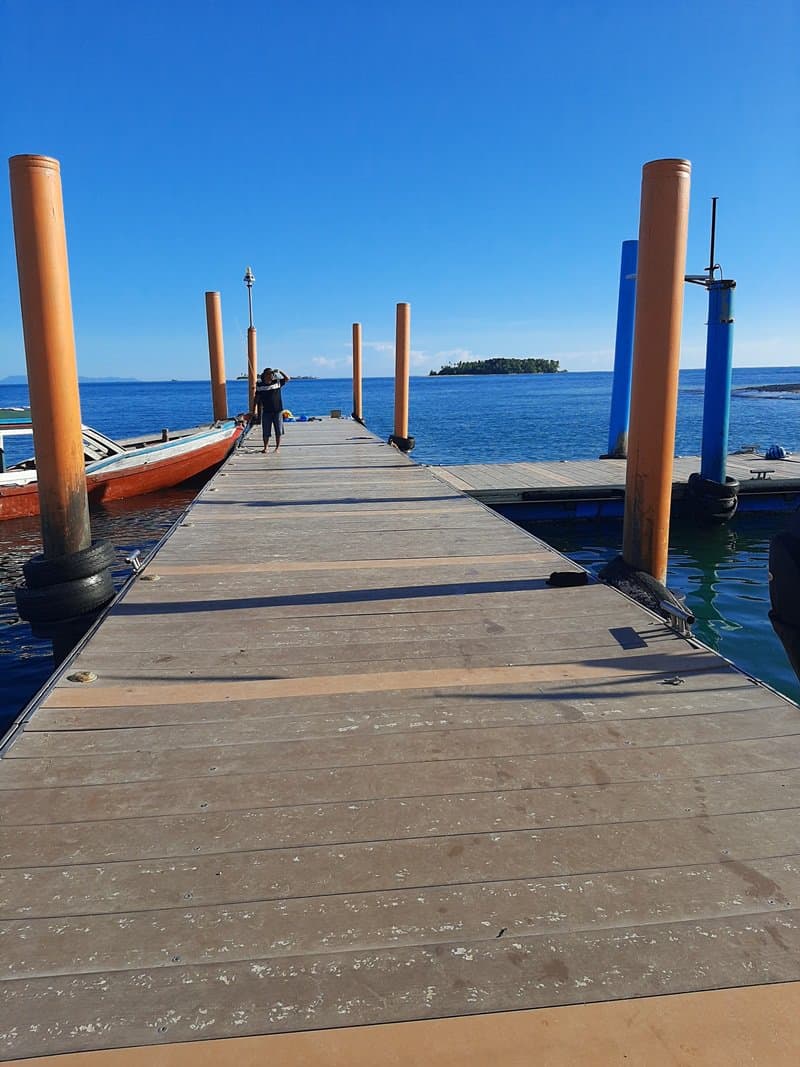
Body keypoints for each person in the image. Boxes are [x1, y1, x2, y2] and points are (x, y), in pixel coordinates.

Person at [252, 367, 290, 453]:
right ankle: (266, 447)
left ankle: (277, 448)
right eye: (269, 374)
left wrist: (280, 371)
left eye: (272, 374)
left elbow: (287, 379)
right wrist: (254, 410)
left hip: (278, 411)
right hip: (266, 411)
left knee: (278, 430)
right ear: (265, 375)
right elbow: (256, 398)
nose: (271, 376)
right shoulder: (260, 385)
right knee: (266, 430)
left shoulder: (277, 382)